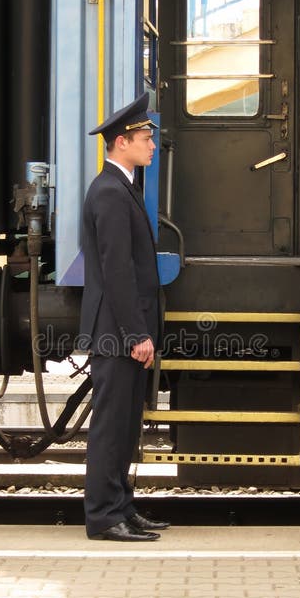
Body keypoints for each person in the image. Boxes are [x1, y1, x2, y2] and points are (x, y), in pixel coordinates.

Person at [80, 93, 171, 542]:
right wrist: (137, 334)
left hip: (125, 331)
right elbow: (117, 270)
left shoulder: (122, 189)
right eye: (144, 137)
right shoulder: (110, 192)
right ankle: (102, 515)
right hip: (116, 333)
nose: (152, 145)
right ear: (121, 142)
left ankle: (122, 507)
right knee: (111, 425)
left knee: (125, 423)